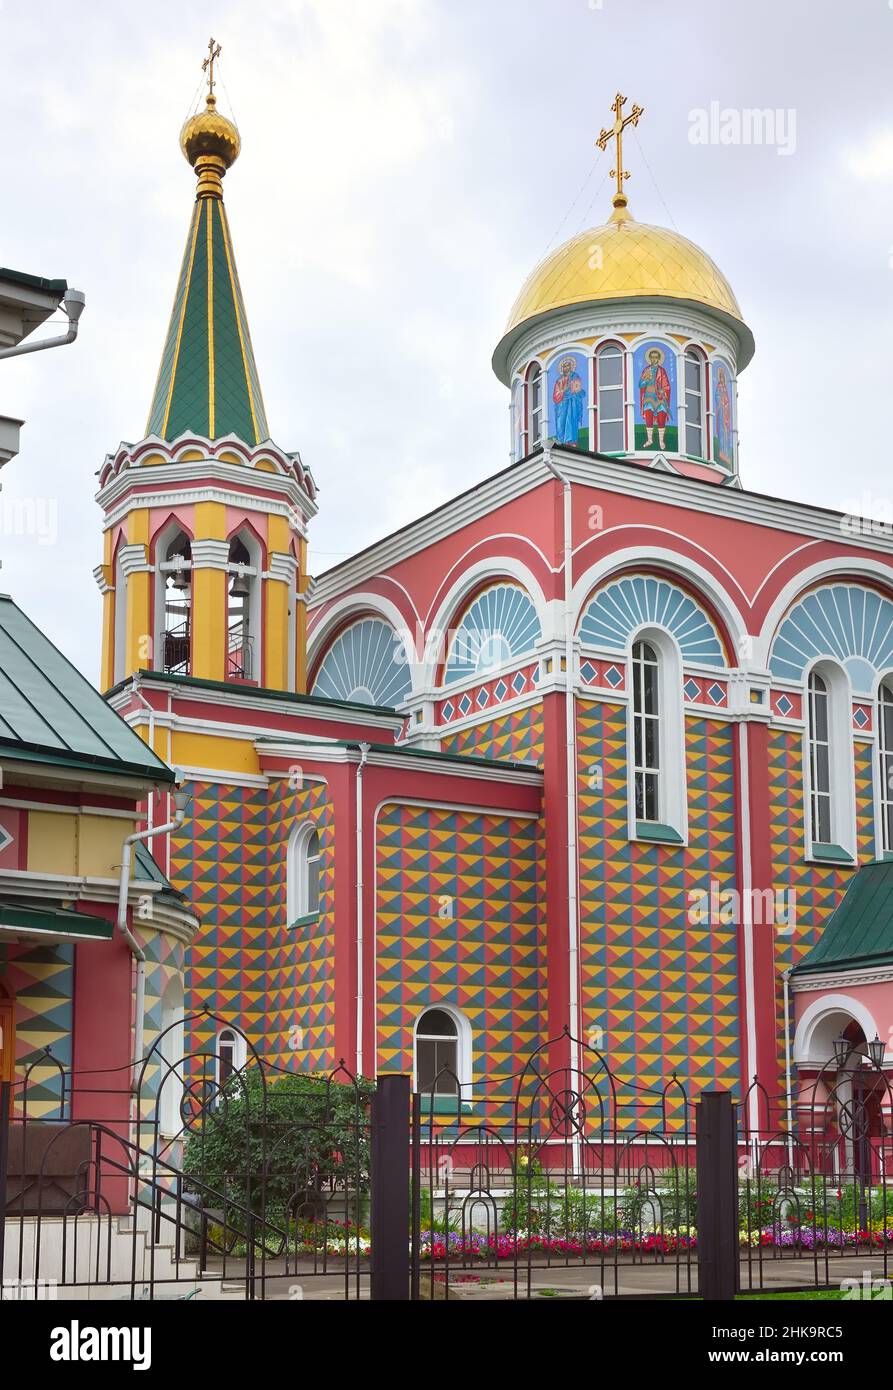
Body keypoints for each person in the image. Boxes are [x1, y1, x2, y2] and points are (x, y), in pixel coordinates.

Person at [638, 346, 672, 450]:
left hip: (659, 397)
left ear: (658, 358)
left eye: (656, 357)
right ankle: (650, 439)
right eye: (652, 357)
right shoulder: (646, 370)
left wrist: (663, 390)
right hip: (649, 395)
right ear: (649, 358)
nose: (654, 359)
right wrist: (645, 380)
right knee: (649, 416)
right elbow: (640, 385)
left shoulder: (662, 371)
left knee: (661, 417)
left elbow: (667, 385)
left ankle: (661, 441)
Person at [552, 355, 585, 447]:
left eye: (568, 365)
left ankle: (571, 441)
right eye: (564, 366)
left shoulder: (575, 376)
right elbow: (555, 395)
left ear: (571, 367)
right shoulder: (559, 380)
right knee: (560, 422)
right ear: (562, 368)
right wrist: (563, 391)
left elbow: (577, 388)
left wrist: (575, 392)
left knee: (571, 420)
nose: (566, 367)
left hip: (572, 403)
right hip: (561, 405)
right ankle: (561, 441)